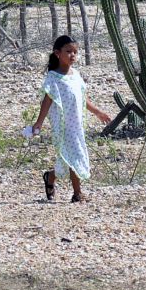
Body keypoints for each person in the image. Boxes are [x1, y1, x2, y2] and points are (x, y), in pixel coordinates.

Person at [29, 35, 110, 202]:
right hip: (63, 125)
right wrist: (39, 123)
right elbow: (47, 101)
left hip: (77, 124)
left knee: (66, 160)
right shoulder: (53, 77)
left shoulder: (76, 75)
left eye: (75, 52)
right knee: (75, 155)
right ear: (57, 53)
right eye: (68, 51)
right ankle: (77, 193)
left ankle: (50, 177)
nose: (73, 55)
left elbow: (82, 99)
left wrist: (98, 112)